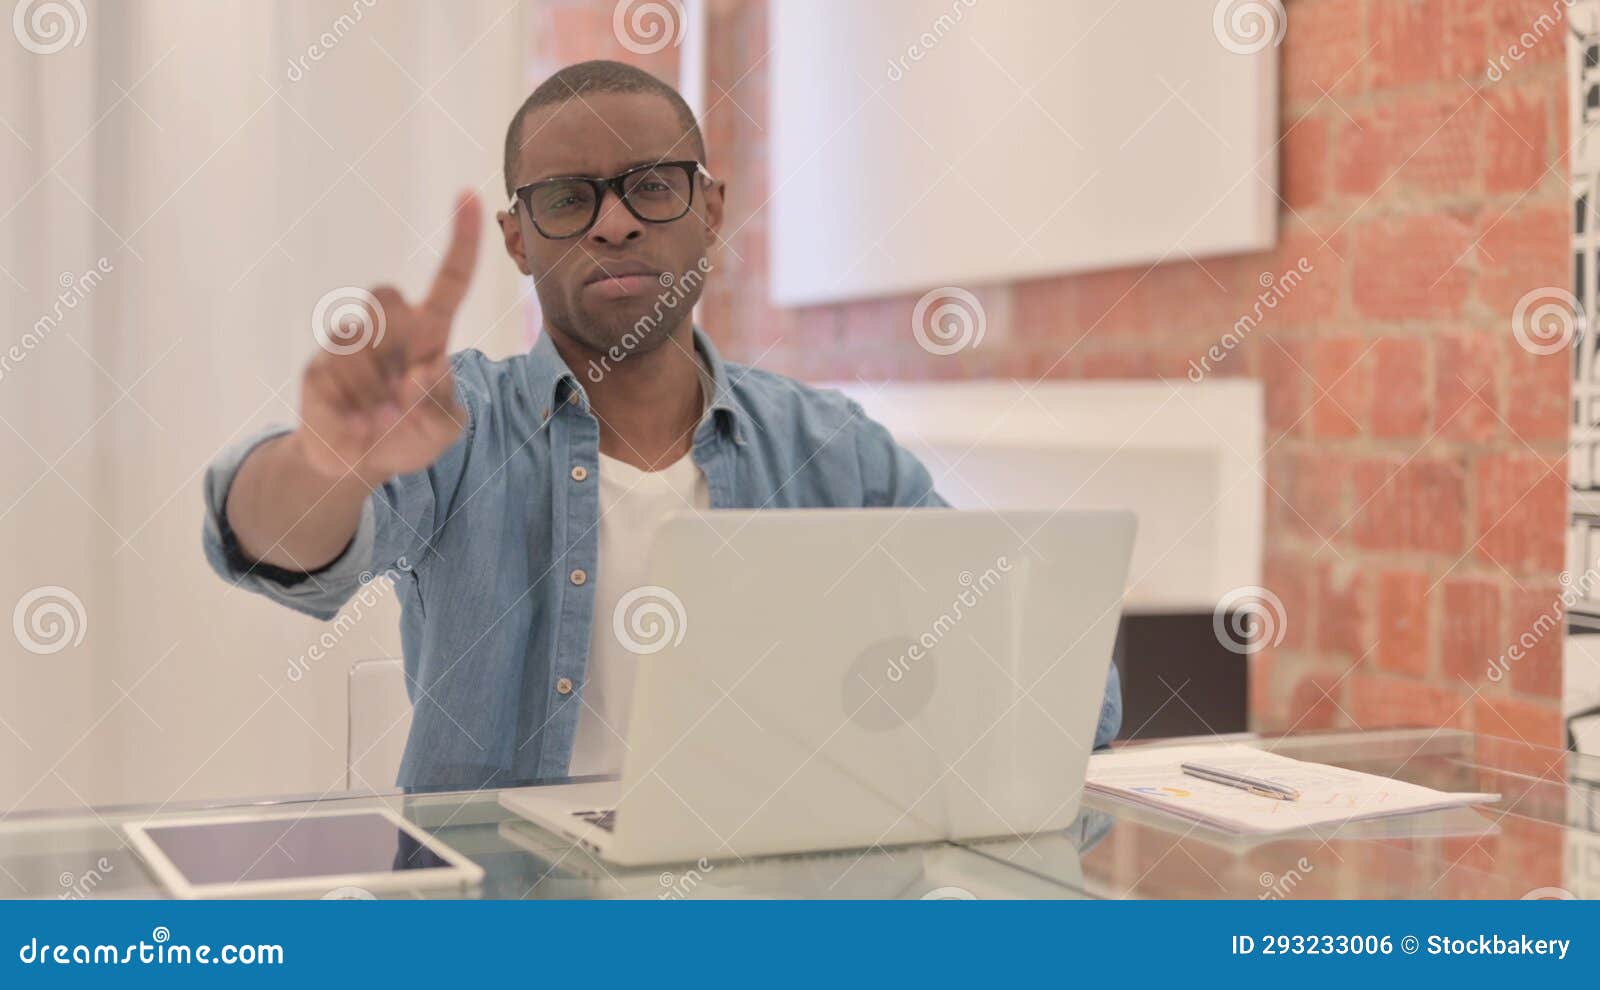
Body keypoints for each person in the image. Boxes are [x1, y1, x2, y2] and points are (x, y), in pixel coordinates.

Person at [203, 59, 1121, 790]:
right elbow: (272, 543)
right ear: (520, 239)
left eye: (650, 186)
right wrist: (329, 462)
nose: (613, 224)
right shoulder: (457, 422)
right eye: (568, 197)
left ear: (710, 210)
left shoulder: (832, 447)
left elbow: (1052, 686)